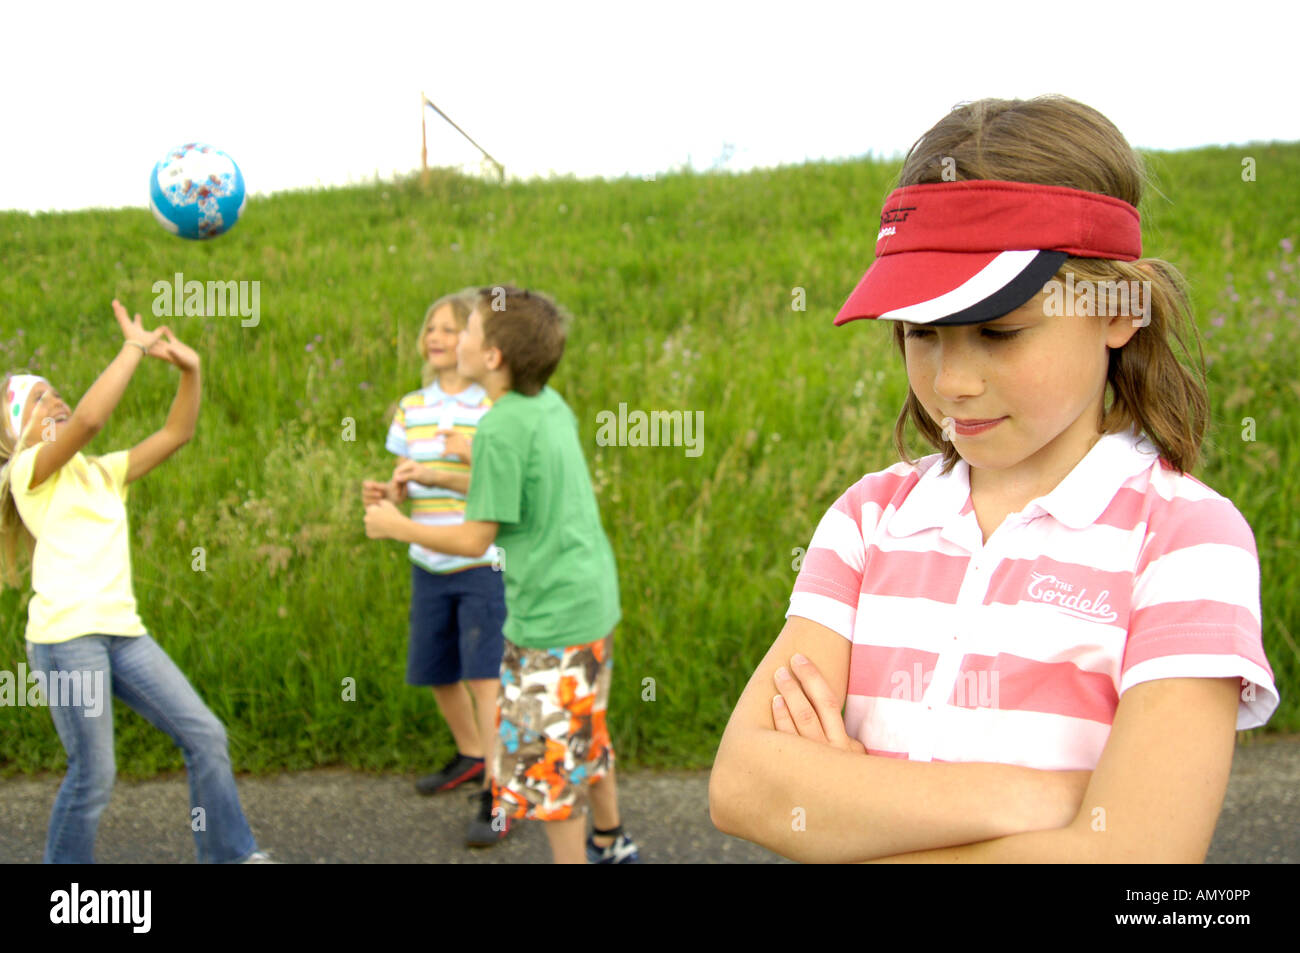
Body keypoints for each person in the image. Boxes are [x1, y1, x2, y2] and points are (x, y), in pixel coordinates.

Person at [709, 95, 1279, 863]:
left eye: (999, 331)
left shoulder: (1183, 542)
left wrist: (853, 813)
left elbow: (1138, 858)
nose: (952, 382)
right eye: (921, 333)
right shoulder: (869, 520)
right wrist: (1045, 797)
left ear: (1118, 308)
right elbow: (746, 784)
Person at [364, 285, 639, 864]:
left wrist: (397, 526)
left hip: (550, 617)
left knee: (545, 768)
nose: (456, 337)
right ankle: (614, 842)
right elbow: (514, 492)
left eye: (467, 331)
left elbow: (474, 538)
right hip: (591, 601)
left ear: (491, 357)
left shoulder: (498, 427)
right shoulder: (546, 405)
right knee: (584, 730)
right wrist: (439, 480)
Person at [1, 300, 273, 863]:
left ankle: (231, 855)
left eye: (53, 389)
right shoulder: (28, 474)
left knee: (205, 737)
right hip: (66, 640)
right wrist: (132, 346)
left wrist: (190, 370)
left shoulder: (104, 471)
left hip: (123, 635)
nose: (54, 396)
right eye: (36, 397)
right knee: (94, 775)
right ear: (16, 429)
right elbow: (91, 420)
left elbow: (177, 433)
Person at [362, 289, 509, 847]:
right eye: (431, 329)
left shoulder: (492, 408)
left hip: (481, 560)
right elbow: (404, 478)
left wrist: (466, 453)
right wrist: (389, 493)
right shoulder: (410, 406)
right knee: (437, 671)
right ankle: (471, 756)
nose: (438, 338)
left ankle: (500, 792)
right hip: (427, 559)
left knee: (483, 677)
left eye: (450, 329)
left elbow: (506, 490)